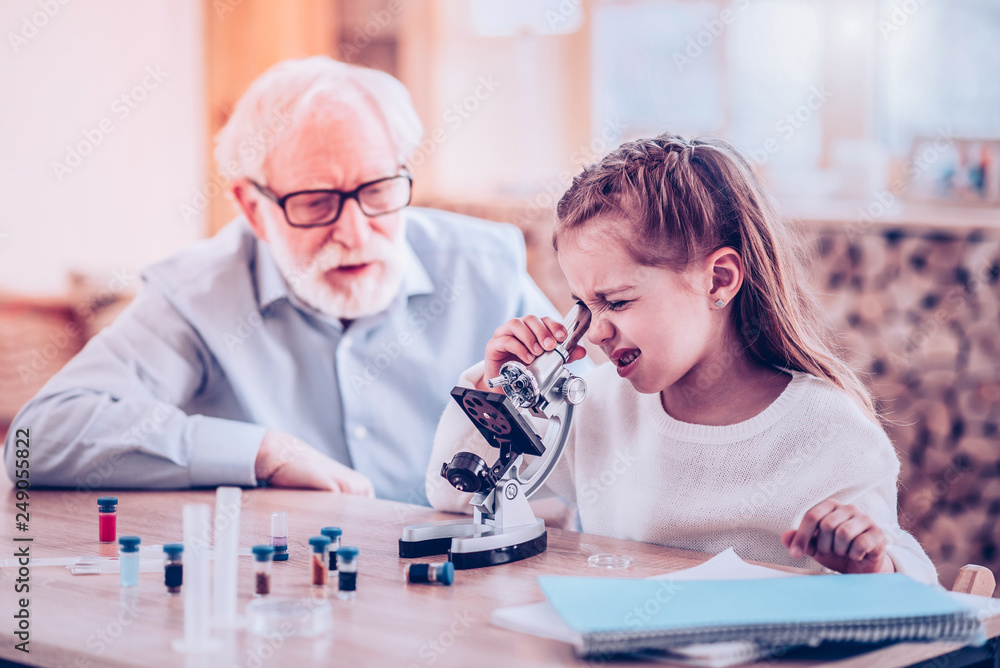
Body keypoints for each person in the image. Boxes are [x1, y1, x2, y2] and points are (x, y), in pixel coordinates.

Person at [4, 56, 564, 505]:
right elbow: (41, 439)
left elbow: (593, 415)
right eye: (316, 202)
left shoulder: (482, 264)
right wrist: (262, 452)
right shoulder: (195, 295)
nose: (353, 231)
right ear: (252, 208)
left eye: (376, 191)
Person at [426, 134, 938, 583]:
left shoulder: (827, 429)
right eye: (583, 305)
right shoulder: (596, 407)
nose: (596, 330)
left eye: (618, 301)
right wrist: (494, 391)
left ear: (718, 280)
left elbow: (914, 587)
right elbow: (454, 496)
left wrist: (872, 566)